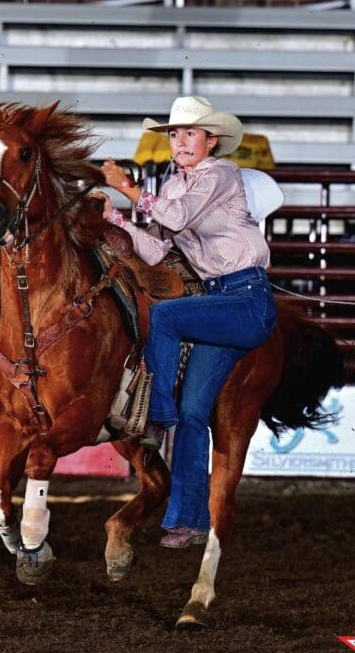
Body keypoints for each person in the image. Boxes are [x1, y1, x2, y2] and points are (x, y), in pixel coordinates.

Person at [100, 95, 275, 549]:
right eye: (175, 134)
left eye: (189, 133)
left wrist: (127, 188)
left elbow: (173, 217)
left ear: (210, 141)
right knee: (195, 415)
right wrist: (116, 218)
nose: (180, 141)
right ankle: (188, 521)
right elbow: (157, 249)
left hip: (246, 298)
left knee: (165, 316)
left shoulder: (220, 173)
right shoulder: (176, 186)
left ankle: (156, 412)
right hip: (223, 302)